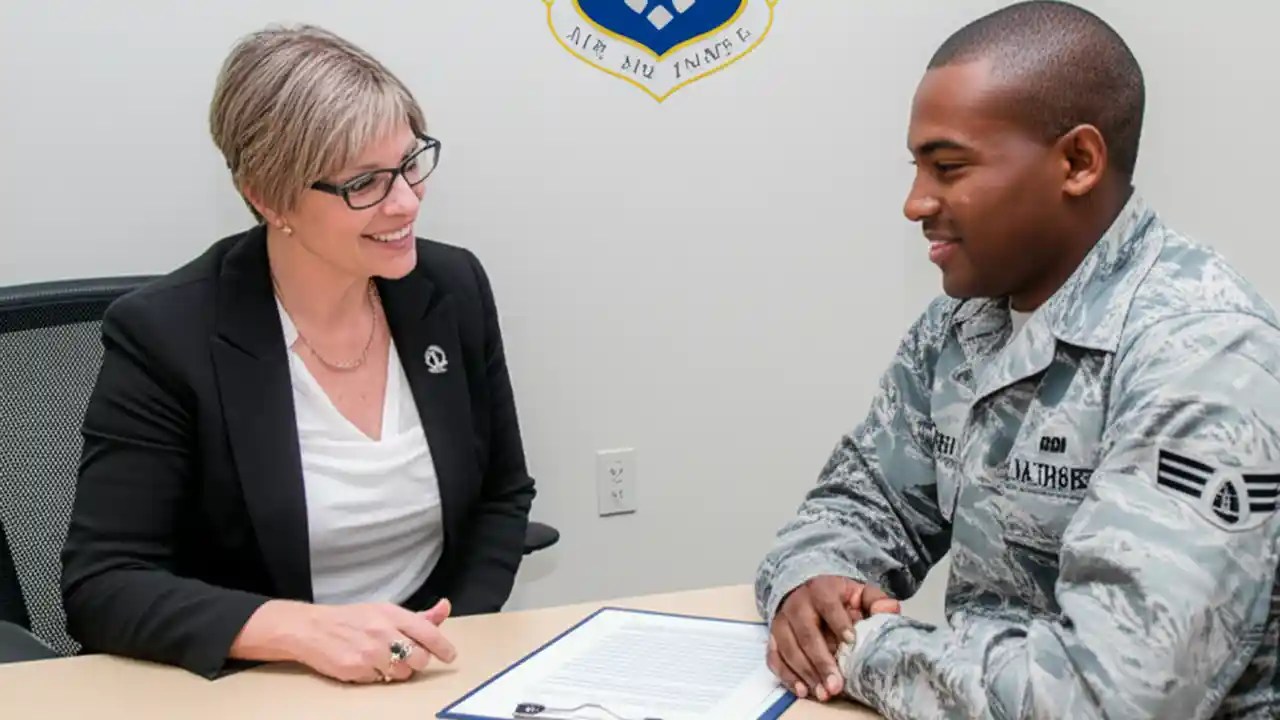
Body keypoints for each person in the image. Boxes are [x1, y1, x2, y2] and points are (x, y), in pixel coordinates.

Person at [755, 2, 1280, 717]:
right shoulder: (961, 325)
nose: (915, 203)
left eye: (948, 167)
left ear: (1078, 162)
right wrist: (810, 586)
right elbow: (858, 503)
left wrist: (862, 650)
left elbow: (1113, 697)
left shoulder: (1204, 355)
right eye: (917, 168)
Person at [60, 25, 537, 685]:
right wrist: (304, 632)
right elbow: (104, 583)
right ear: (268, 195)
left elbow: (502, 496)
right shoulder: (166, 335)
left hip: (427, 675)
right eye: (365, 183)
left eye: (410, 163)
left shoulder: (451, 289)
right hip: (258, 684)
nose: (405, 202)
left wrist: (442, 641)